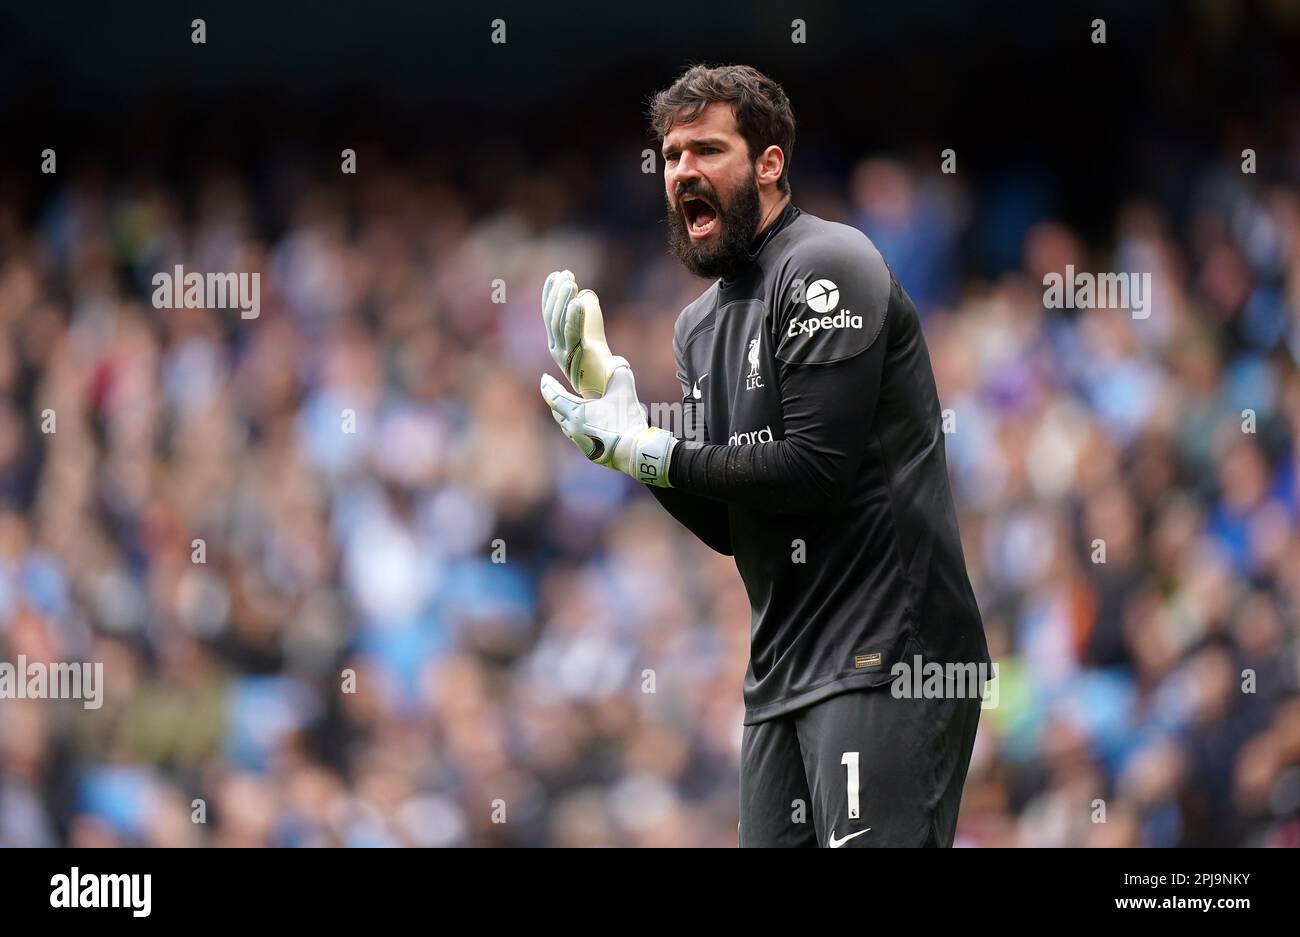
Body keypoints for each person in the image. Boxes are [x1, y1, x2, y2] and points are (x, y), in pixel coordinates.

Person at [540, 64, 990, 847]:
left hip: (886, 656)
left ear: (769, 164)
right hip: (782, 677)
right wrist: (627, 446)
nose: (683, 172)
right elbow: (731, 520)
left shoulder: (829, 265)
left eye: (707, 150)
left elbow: (813, 470)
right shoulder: (697, 326)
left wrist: (653, 447)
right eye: (672, 156)